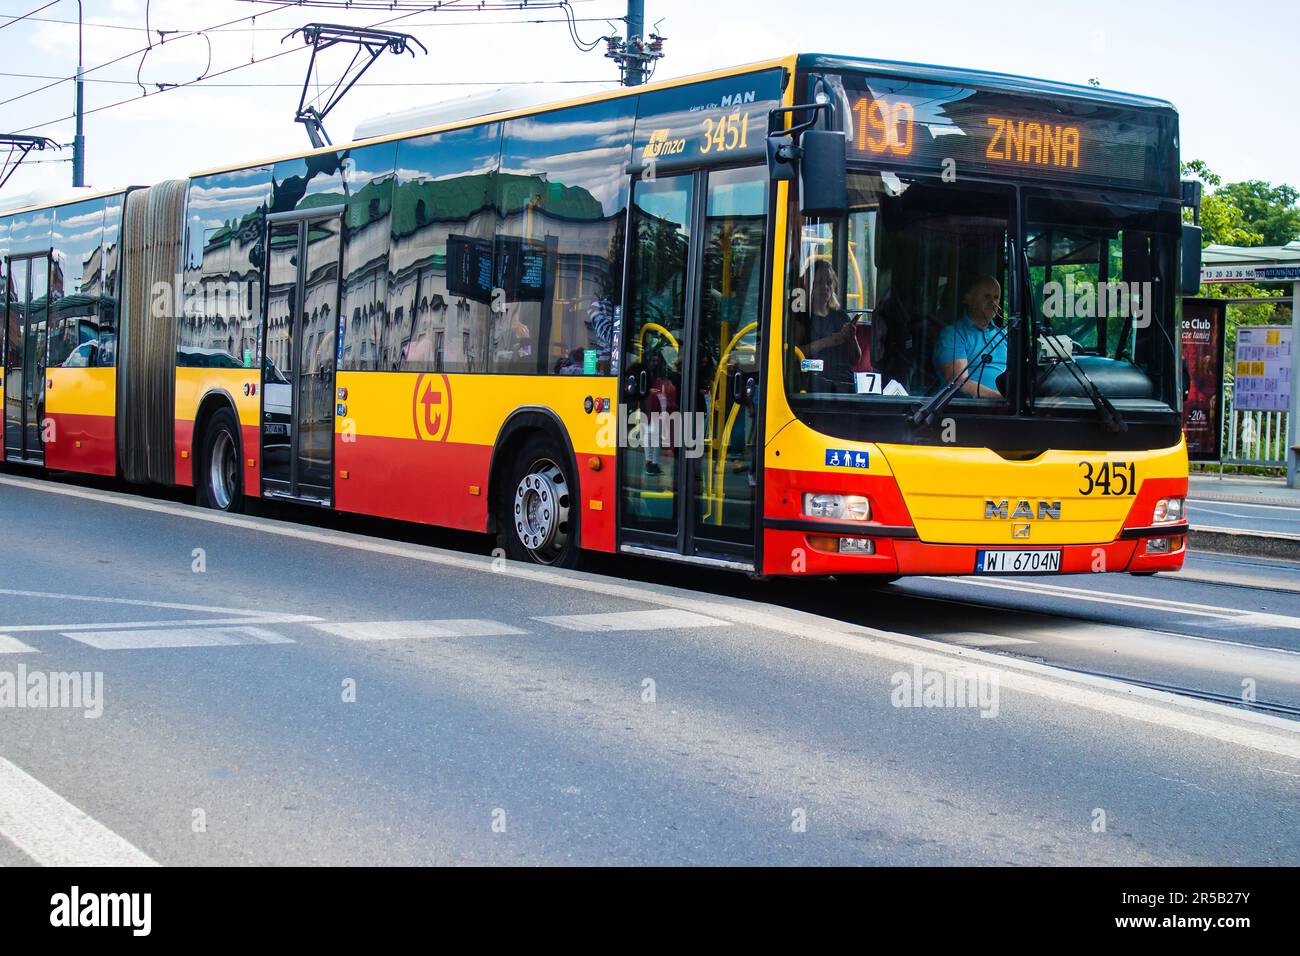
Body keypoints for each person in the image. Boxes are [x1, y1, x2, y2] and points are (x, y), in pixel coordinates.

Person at [932, 275, 1006, 399]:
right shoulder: (953, 335)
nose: (993, 302)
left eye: (996, 297)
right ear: (968, 298)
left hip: (1006, 408)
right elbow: (959, 382)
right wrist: (1000, 398)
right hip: (971, 410)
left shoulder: (1003, 335)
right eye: (986, 296)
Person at [798, 260, 860, 385]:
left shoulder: (841, 316)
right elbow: (795, 354)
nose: (825, 287)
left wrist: (852, 338)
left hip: (846, 383)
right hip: (816, 384)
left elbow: (855, 360)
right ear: (809, 284)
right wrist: (829, 342)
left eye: (829, 283)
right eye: (820, 282)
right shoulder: (802, 317)